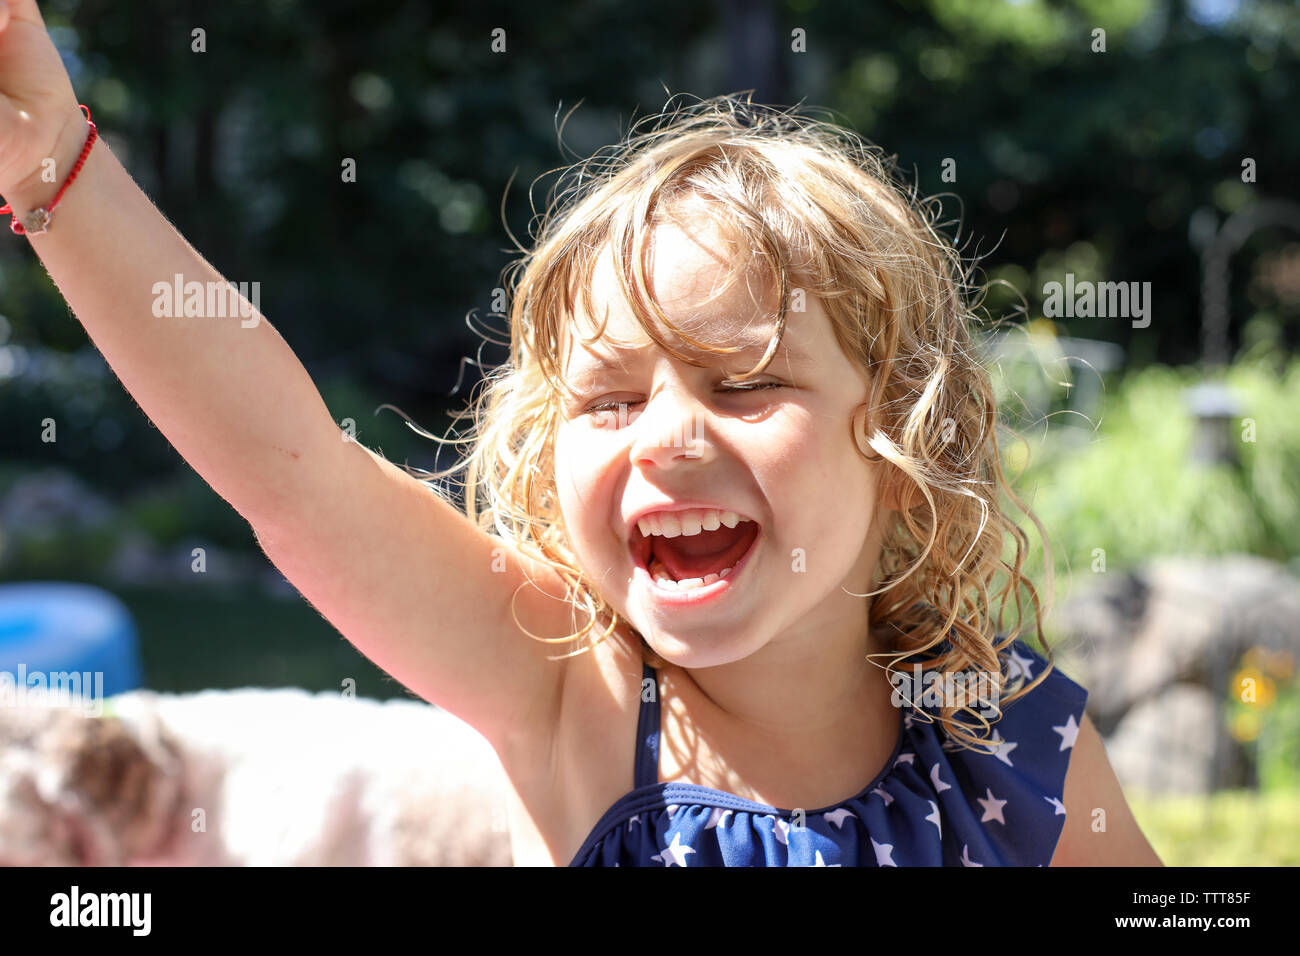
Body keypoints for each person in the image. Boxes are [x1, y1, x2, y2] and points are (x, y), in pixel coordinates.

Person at [0, 1, 1161, 866]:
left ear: (902, 450)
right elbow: (290, 466)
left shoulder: (1001, 733)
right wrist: (53, 165)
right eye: (606, 400)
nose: (664, 435)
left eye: (745, 383)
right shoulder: (571, 697)